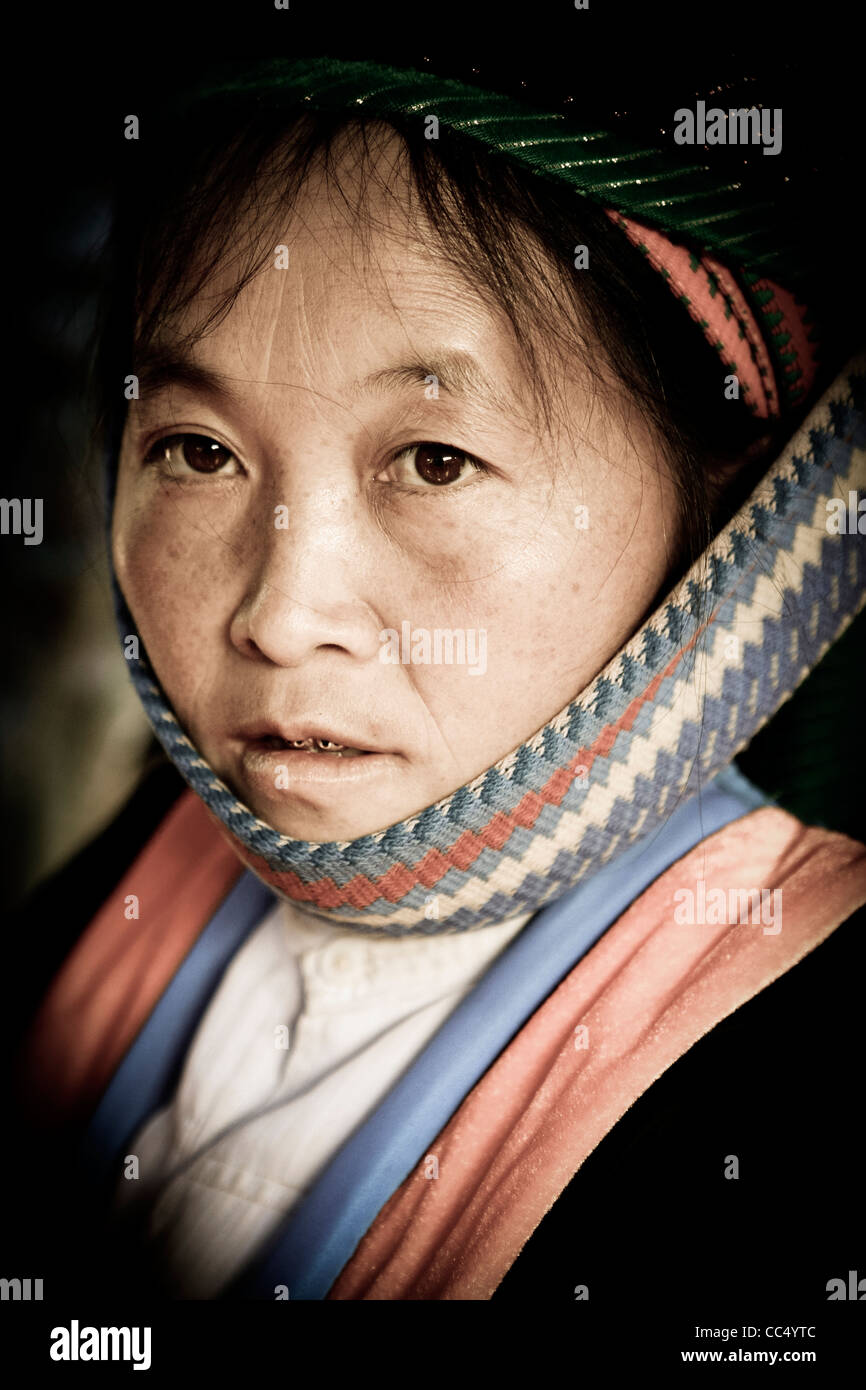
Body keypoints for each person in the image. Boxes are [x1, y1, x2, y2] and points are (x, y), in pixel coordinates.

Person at [4, 56, 864, 1305]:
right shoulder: (152, 852)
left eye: (435, 460)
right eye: (197, 450)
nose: (282, 618)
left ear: (729, 507)